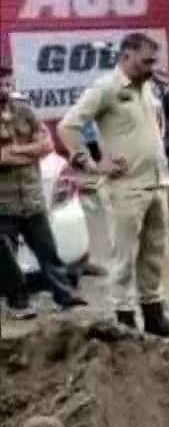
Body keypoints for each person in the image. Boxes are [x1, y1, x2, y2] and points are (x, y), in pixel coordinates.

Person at [57, 34, 169, 335]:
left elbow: (153, 134)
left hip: (155, 185)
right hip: (125, 188)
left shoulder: (147, 88)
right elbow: (68, 126)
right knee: (122, 257)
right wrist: (92, 164)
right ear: (126, 56)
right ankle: (124, 318)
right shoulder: (107, 88)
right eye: (146, 61)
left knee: (154, 253)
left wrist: (168, 179)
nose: (152, 67)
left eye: (154, 61)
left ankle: (153, 313)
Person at [1, 65, 84, 319]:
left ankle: (64, 296)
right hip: (3, 203)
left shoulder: (24, 111)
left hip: (32, 198)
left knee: (47, 251)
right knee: (6, 260)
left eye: (8, 84)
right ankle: (18, 304)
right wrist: (29, 151)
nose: (5, 89)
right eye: (1, 84)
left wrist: (13, 152)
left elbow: (46, 145)